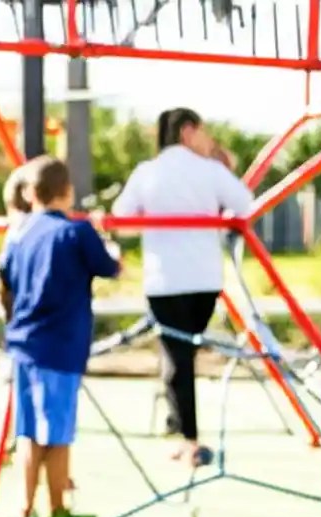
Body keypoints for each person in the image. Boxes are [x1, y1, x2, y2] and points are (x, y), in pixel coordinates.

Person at [111, 107, 254, 465]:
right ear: (188, 131)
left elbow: (121, 220)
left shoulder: (148, 172)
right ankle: (181, 428)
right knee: (182, 355)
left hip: (165, 280)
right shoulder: (209, 171)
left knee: (177, 357)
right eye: (205, 132)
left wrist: (151, 219)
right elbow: (245, 205)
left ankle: (186, 436)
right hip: (205, 280)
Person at [0, 156, 123, 517]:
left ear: (31, 194)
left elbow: (3, 278)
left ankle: (24, 509)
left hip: (24, 343)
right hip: (61, 345)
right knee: (56, 433)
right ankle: (56, 509)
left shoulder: (18, 234)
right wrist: (109, 243)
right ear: (67, 193)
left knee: (27, 429)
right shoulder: (76, 232)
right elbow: (111, 267)